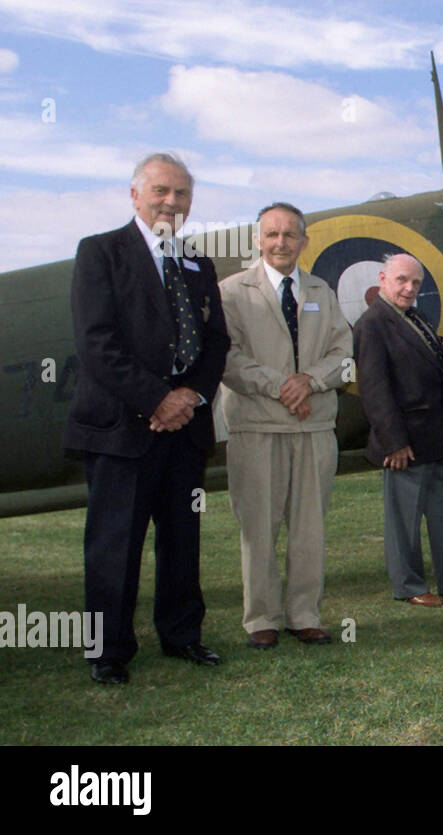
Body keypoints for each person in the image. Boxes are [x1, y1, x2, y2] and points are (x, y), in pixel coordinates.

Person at [64, 152, 231, 684]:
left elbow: (216, 342)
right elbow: (97, 343)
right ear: (135, 194)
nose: (171, 202)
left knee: (182, 538)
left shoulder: (198, 265)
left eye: (181, 194)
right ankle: (108, 652)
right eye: (161, 191)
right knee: (116, 544)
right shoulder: (100, 253)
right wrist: (157, 399)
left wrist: (190, 399)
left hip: (183, 433)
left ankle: (182, 635)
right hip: (122, 430)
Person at [218, 202, 352, 648]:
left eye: (289, 235)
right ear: (259, 239)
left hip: (313, 428)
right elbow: (228, 358)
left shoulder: (321, 292)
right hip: (257, 429)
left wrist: (310, 382)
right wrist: (281, 386)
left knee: (310, 528)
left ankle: (304, 614)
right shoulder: (232, 292)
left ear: (303, 241)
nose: (280, 243)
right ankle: (262, 620)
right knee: (258, 528)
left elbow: (343, 354)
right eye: (272, 234)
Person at [354, 253, 443, 606]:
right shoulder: (372, 324)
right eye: (402, 280)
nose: (409, 288)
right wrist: (393, 443)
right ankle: (410, 587)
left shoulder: (415, 317)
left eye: (415, 282)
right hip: (406, 443)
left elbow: (438, 378)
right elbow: (373, 389)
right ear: (383, 279)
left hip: (439, 435)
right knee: (404, 521)